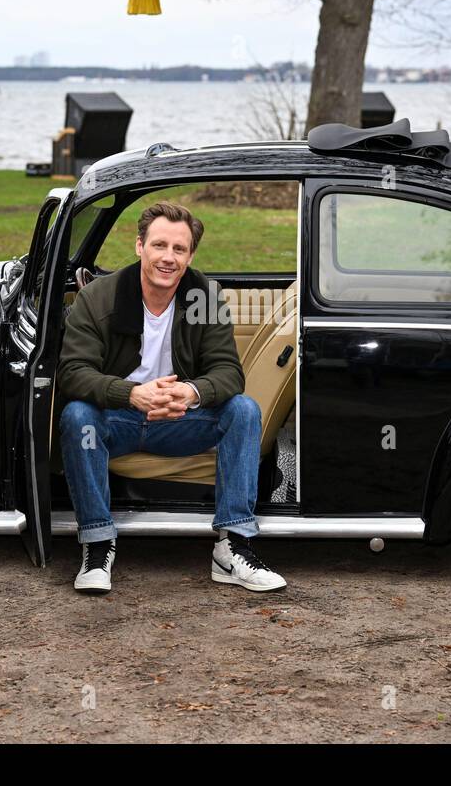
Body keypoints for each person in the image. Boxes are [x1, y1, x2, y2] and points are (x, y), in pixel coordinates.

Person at [56, 201, 286, 595]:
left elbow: (229, 373)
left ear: (190, 255)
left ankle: (233, 547)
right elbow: (73, 373)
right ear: (139, 246)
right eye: (159, 245)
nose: (168, 257)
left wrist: (191, 392)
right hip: (119, 420)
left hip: (181, 420)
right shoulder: (99, 297)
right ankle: (97, 544)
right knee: (78, 416)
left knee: (243, 410)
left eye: (179, 249)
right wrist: (132, 394)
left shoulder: (203, 297)